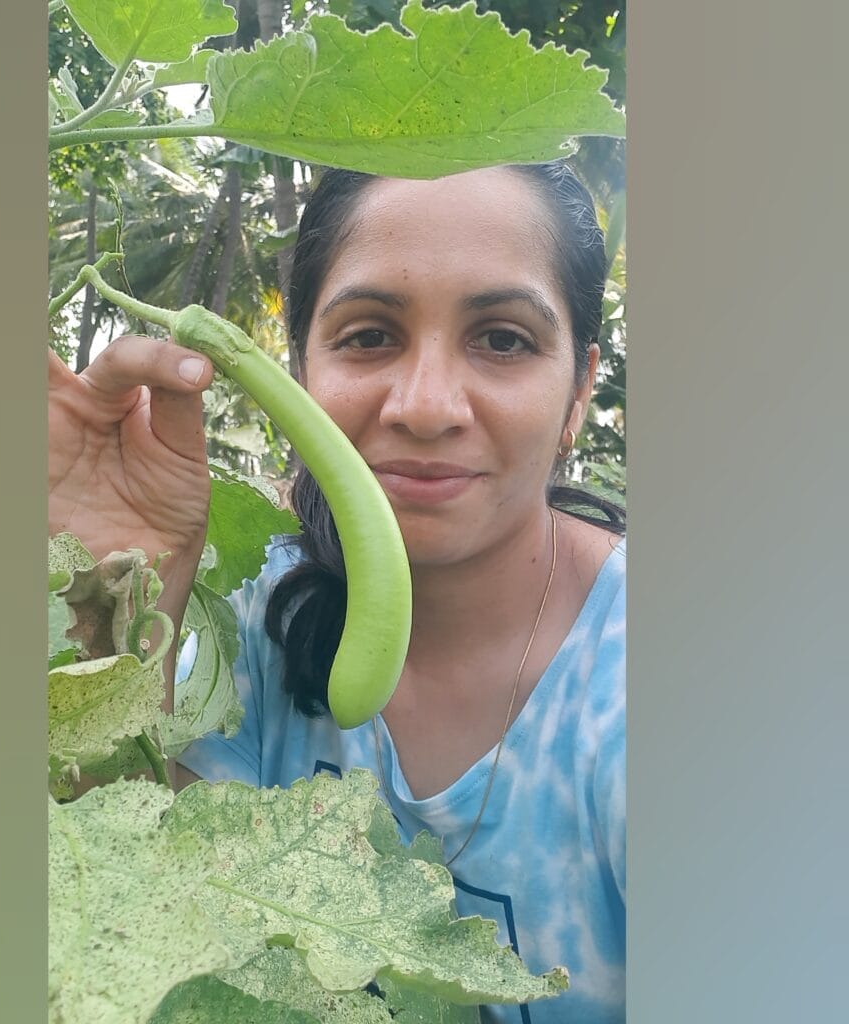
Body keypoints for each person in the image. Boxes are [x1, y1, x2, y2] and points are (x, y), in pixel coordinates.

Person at [48, 161, 626, 1024]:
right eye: (368, 335)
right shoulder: (252, 625)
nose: (426, 408)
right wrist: (120, 595)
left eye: (503, 338)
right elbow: (140, 947)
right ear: (301, 374)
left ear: (578, 388)